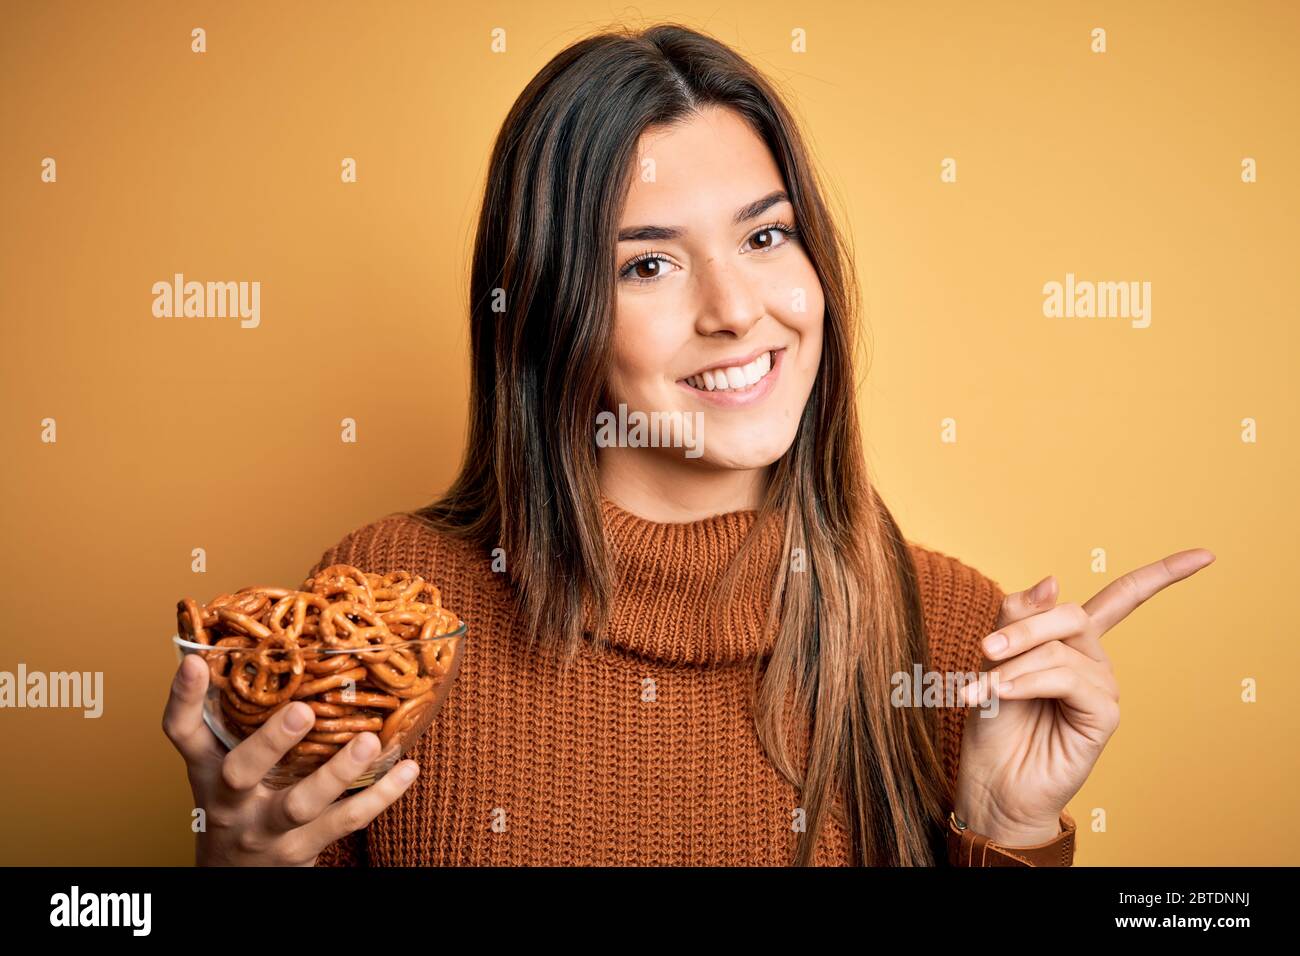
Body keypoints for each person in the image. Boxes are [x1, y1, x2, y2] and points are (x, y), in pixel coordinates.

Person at [162, 22, 1213, 866]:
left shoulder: (958, 644)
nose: (736, 310)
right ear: (544, 310)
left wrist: (1007, 830)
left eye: (764, 236)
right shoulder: (389, 599)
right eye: (647, 265)